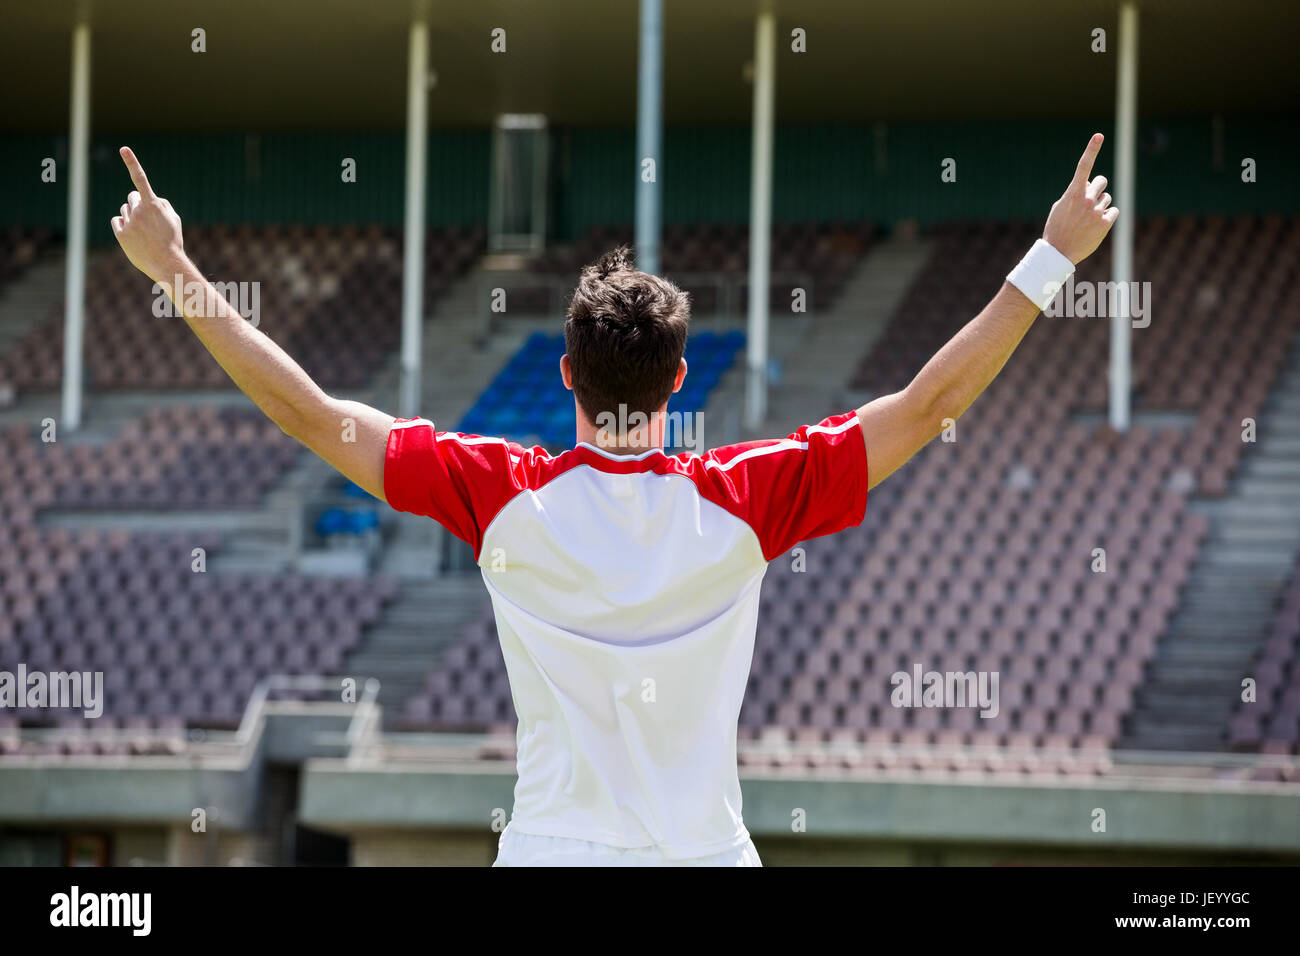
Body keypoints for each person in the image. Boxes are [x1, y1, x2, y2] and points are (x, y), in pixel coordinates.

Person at [110, 136, 1117, 866]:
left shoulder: (501, 497)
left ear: (564, 374)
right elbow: (931, 400)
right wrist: (1053, 253)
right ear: (682, 382)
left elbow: (309, 412)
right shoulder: (746, 499)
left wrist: (178, 272)